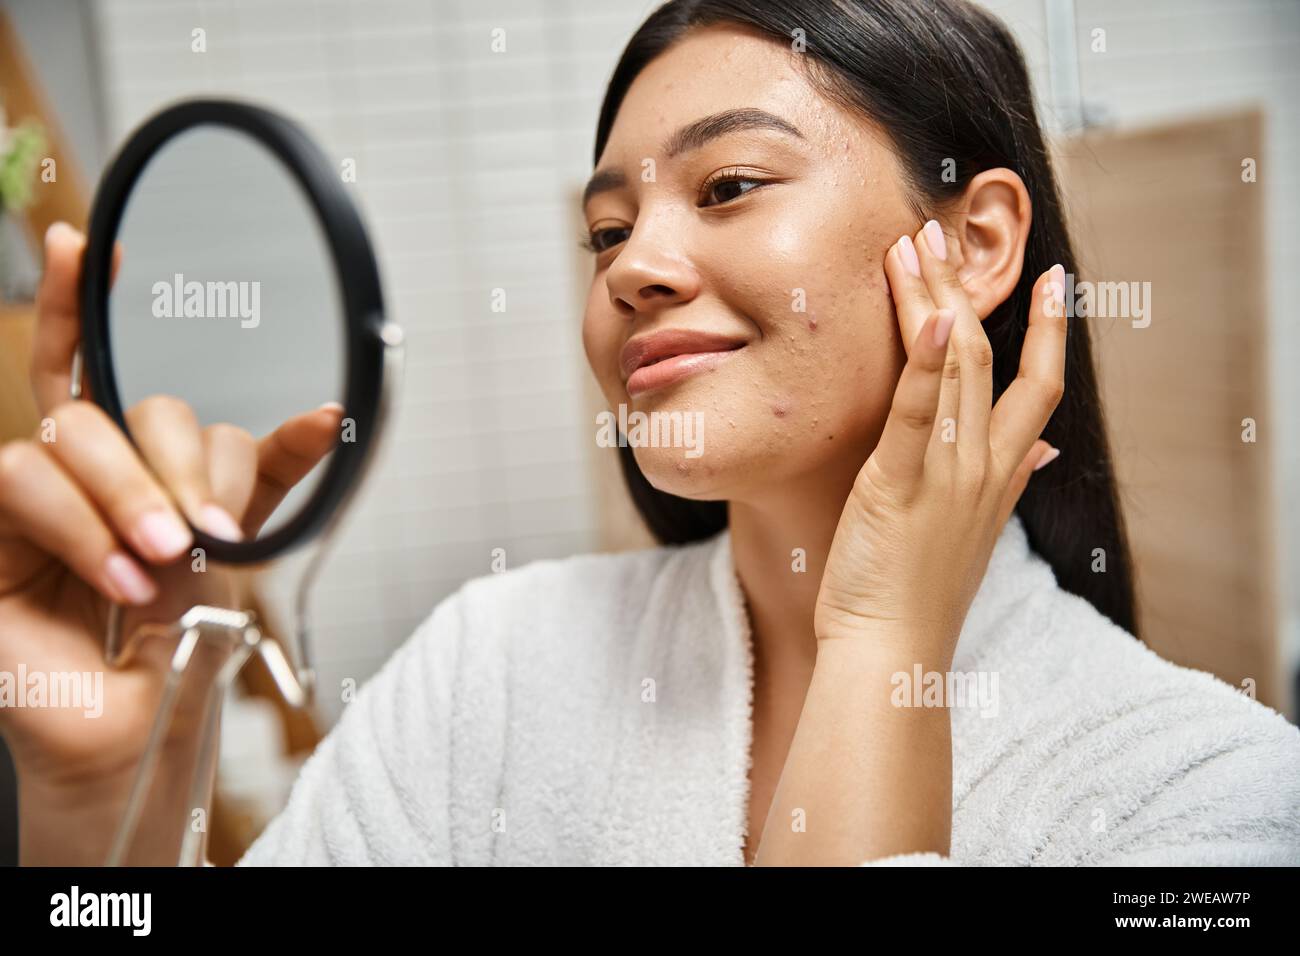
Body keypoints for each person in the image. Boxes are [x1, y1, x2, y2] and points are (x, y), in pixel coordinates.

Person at [3, 0, 1297, 866]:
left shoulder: (1211, 796)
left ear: (974, 242)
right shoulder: (488, 670)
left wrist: (880, 648)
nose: (633, 270)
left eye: (729, 185)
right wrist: (93, 805)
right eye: (607, 231)